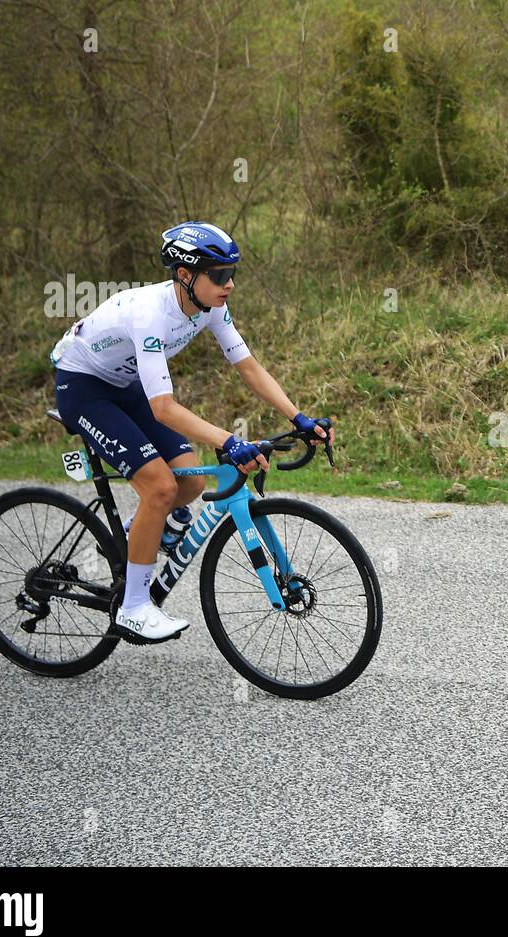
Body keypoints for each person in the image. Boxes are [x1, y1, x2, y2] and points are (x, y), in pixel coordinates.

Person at [50, 221, 332, 642]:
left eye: (232, 273)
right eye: (219, 275)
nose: (230, 284)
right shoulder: (149, 314)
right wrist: (229, 441)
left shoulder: (211, 306)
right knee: (161, 488)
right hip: (83, 386)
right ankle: (134, 608)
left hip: (124, 386)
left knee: (192, 481)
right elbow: (163, 407)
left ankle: (135, 535)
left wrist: (299, 418)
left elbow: (249, 367)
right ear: (185, 275)